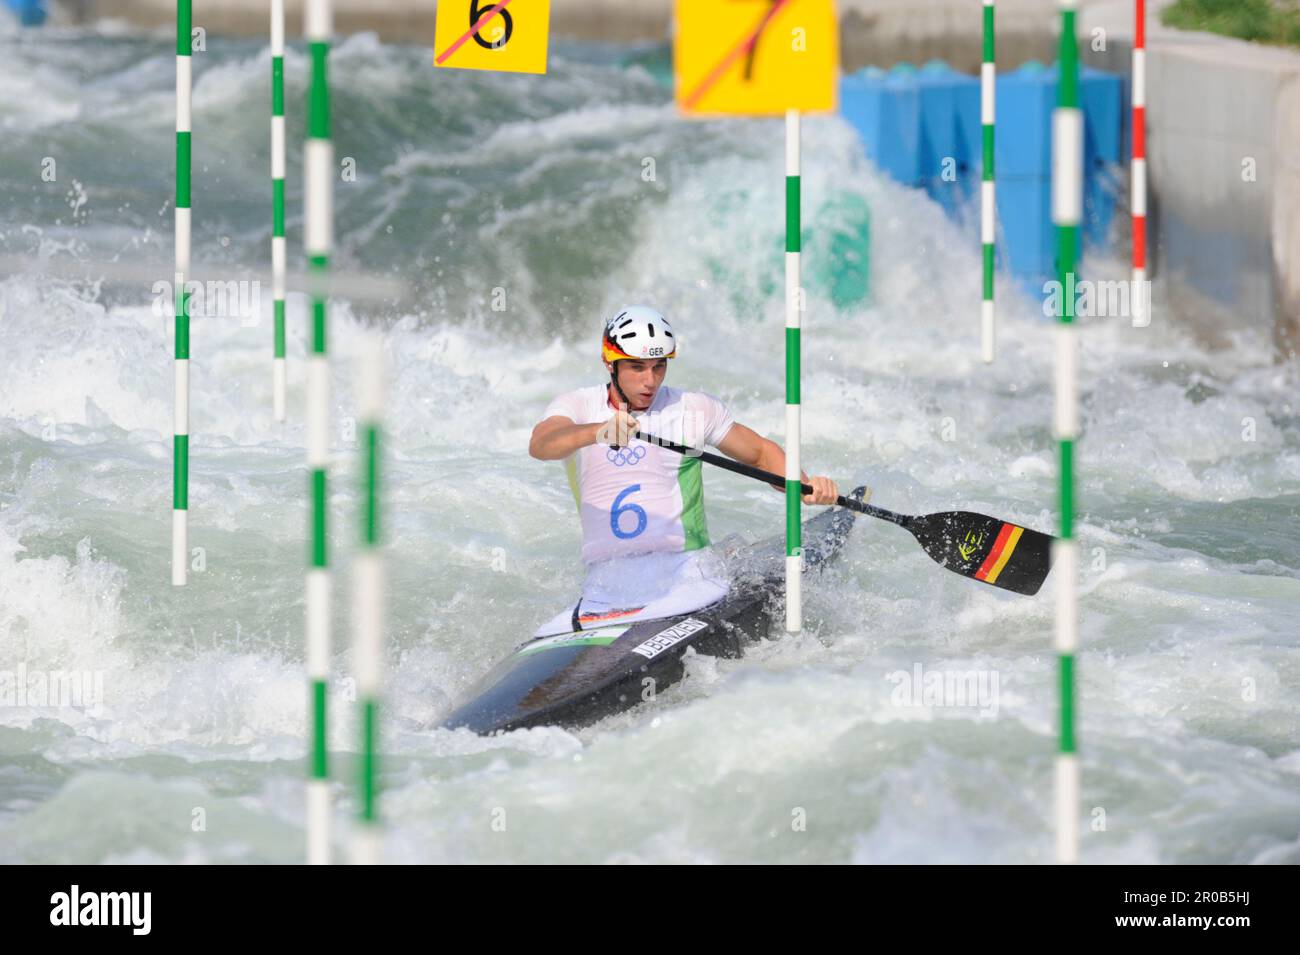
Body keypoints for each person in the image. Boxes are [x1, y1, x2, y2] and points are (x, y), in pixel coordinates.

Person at [527, 305, 840, 637]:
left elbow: (761, 455)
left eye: (659, 367)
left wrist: (805, 485)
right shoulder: (578, 406)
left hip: (687, 571)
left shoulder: (692, 409)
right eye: (637, 367)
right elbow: (542, 443)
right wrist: (596, 432)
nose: (650, 381)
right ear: (610, 362)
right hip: (605, 580)